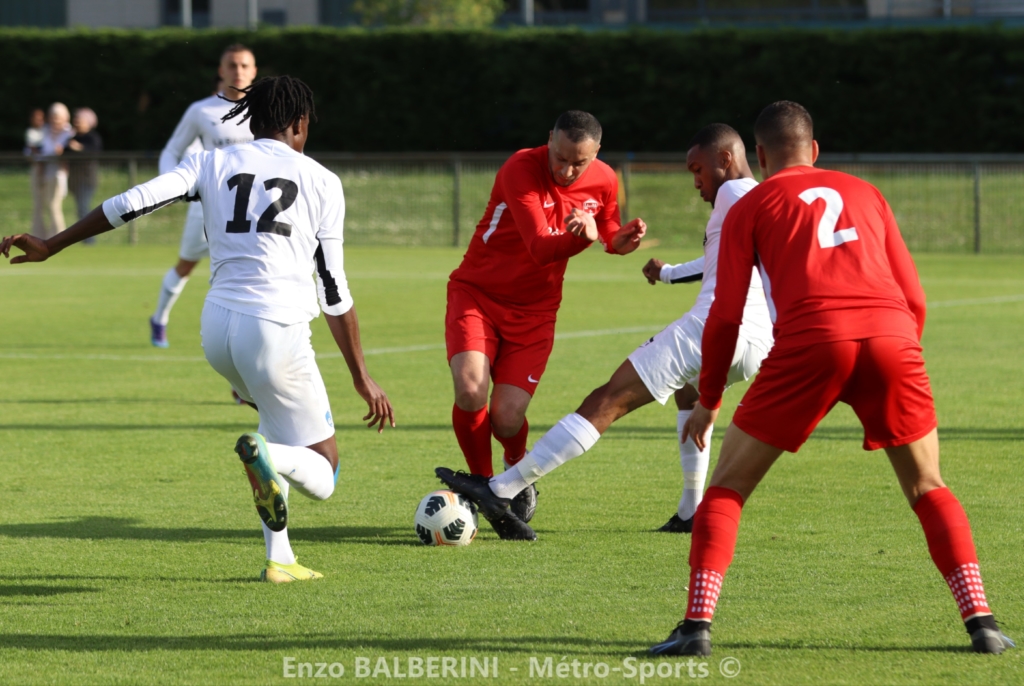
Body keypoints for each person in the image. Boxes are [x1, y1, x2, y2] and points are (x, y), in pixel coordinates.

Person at [646, 101, 1014, 657]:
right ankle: (982, 622)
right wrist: (898, 354)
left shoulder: (752, 201)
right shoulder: (866, 192)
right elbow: (913, 296)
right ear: (815, 150)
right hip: (892, 337)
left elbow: (724, 314)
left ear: (761, 155)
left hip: (811, 342)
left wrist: (710, 399)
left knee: (725, 488)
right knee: (928, 486)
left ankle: (696, 627)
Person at [1, 75, 396, 584]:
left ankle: (280, 558)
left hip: (215, 332)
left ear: (251, 121)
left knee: (275, 431)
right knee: (323, 472)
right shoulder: (322, 180)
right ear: (299, 124)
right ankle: (268, 459)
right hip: (275, 332)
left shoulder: (211, 162)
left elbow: (130, 203)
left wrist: (53, 244)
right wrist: (363, 377)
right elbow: (334, 288)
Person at [436, 124, 773, 537]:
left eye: (697, 169)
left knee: (606, 400)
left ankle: (500, 489)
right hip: (758, 341)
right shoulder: (759, 198)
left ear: (725, 159)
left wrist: (599, 237)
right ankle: (690, 511)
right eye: (560, 158)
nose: (696, 182)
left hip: (712, 327)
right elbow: (737, 259)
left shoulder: (732, 195)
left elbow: (594, 236)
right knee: (688, 391)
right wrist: (648, 261)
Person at [444, 110, 647, 541]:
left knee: (507, 415)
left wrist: (617, 240)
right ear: (549, 139)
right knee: (470, 388)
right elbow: (539, 246)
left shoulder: (606, 177)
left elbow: (607, 222)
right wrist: (587, 237)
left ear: (595, 155)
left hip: (536, 313)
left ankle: (518, 472)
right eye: (561, 158)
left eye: (580, 163)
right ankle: (486, 487)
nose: (568, 170)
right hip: (478, 295)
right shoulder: (521, 168)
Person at [149, 44, 258, 348]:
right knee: (186, 265)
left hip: (252, 211)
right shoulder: (202, 110)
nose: (238, 70)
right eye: (232, 65)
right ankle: (159, 318)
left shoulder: (265, 109)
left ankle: (242, 361)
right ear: (221, 71)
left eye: (245, 65)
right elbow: (171, 149)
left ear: (254, 71)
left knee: (246, 275)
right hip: (208, 207)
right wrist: (170, 185)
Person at [36, 103, 74, 240]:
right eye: (53, 117)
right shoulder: (45, 130)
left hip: (59, 172)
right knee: (43, 205)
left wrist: (62, 154)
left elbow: (70, 153)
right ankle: (45, 236)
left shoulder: (69, 133)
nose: (55, 120)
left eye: (58, 117)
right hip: (45, 171)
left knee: (54, 205)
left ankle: (59, 236)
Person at [66, 108, 103, 246]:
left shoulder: (92, 137)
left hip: (86, 180)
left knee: (84, 209)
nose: (76, 122)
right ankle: (86, 239)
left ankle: (89, 240)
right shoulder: (73, 137)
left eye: (79, 120)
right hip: (74, 179)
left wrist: (78, 148)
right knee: (80, 210)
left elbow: (93, 152)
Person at [24, 109, 45, 238]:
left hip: (49, 170)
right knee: (38, 203)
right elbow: (32, 150)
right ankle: (38, 234)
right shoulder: (30, 133)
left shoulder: (47, 131)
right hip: (37, 168)